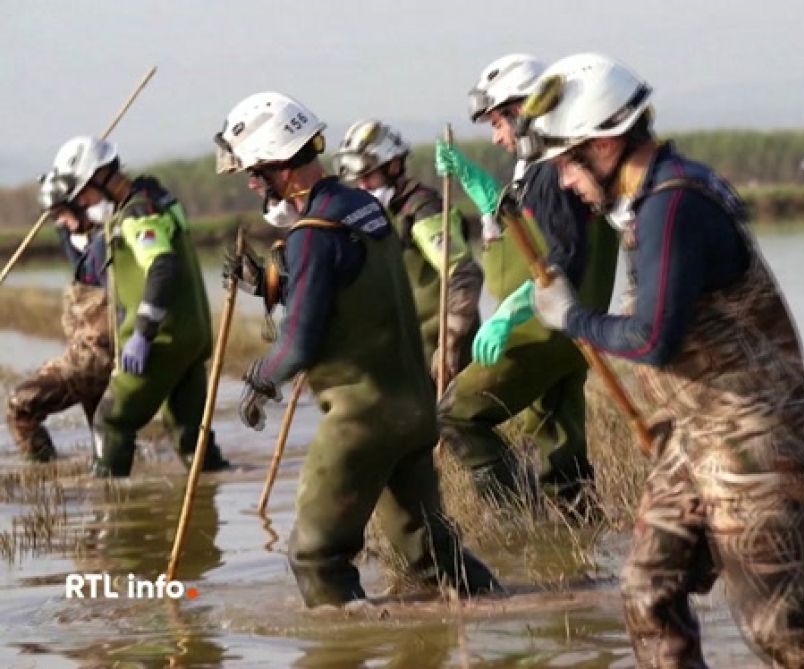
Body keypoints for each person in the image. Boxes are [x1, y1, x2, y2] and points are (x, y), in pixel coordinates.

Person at [519, 53, 804, 668]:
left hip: (756, 440)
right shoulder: (648, 200)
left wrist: (574, 319)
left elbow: (653, 339)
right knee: (647, 594)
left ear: (605, 142)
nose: (565, 179)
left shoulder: (674, 205)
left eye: (568, 161)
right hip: (696, 439)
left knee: (782, 629)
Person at [215, 91, 501, 608]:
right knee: (435, 560)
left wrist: (260, 379)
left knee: (315, 556)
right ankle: (514, 615)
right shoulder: (362, 208)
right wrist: (266, 284)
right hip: (414, 410)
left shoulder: (313, 232)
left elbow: (300, 341)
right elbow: (341, 287)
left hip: (363, 420)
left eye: (257, 172)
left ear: (281, 162)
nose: (254, 184)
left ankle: (343, 645)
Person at [434, 53, 620, 522]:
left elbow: (562, 259)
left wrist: (506, 314)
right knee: (559, 445)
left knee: (457, 415)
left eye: (498, 123)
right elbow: (526, 227)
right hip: (574, 332)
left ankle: (520, 523)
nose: (496, 136)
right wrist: (475, 182)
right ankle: (576, 540)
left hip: (544, 325)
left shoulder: (548, 172)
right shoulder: (564, 162)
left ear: (522, 110)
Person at [38, 136, 231, 477]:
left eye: (83, 193)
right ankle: (212, 497)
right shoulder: (159, 198)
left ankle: (114, 517)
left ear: (102, 178)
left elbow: (162, 266)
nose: (83, 203)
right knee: (191, 435)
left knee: (110, 421)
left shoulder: (136, 215)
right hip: (193, 336)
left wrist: (143, 331)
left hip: (160, 341)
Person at [332, 120, 482, 386]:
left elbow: (464, 275)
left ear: (393, 166)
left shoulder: (422, 210)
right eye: (358, 180)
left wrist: (449, 342)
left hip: (442, 351)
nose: (363, 185)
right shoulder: (379, 216)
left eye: (369, 176)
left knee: (453, 426)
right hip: (407, 351)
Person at [5, 185, 111, 463]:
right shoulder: (93, 243)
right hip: (87, 356)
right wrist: (64, 228)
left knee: (20, 405)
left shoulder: (104, 245)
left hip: (95, 360)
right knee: (107, 443)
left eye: (62, 214)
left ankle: (46, 474)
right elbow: (79, 263)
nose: (61, 222)